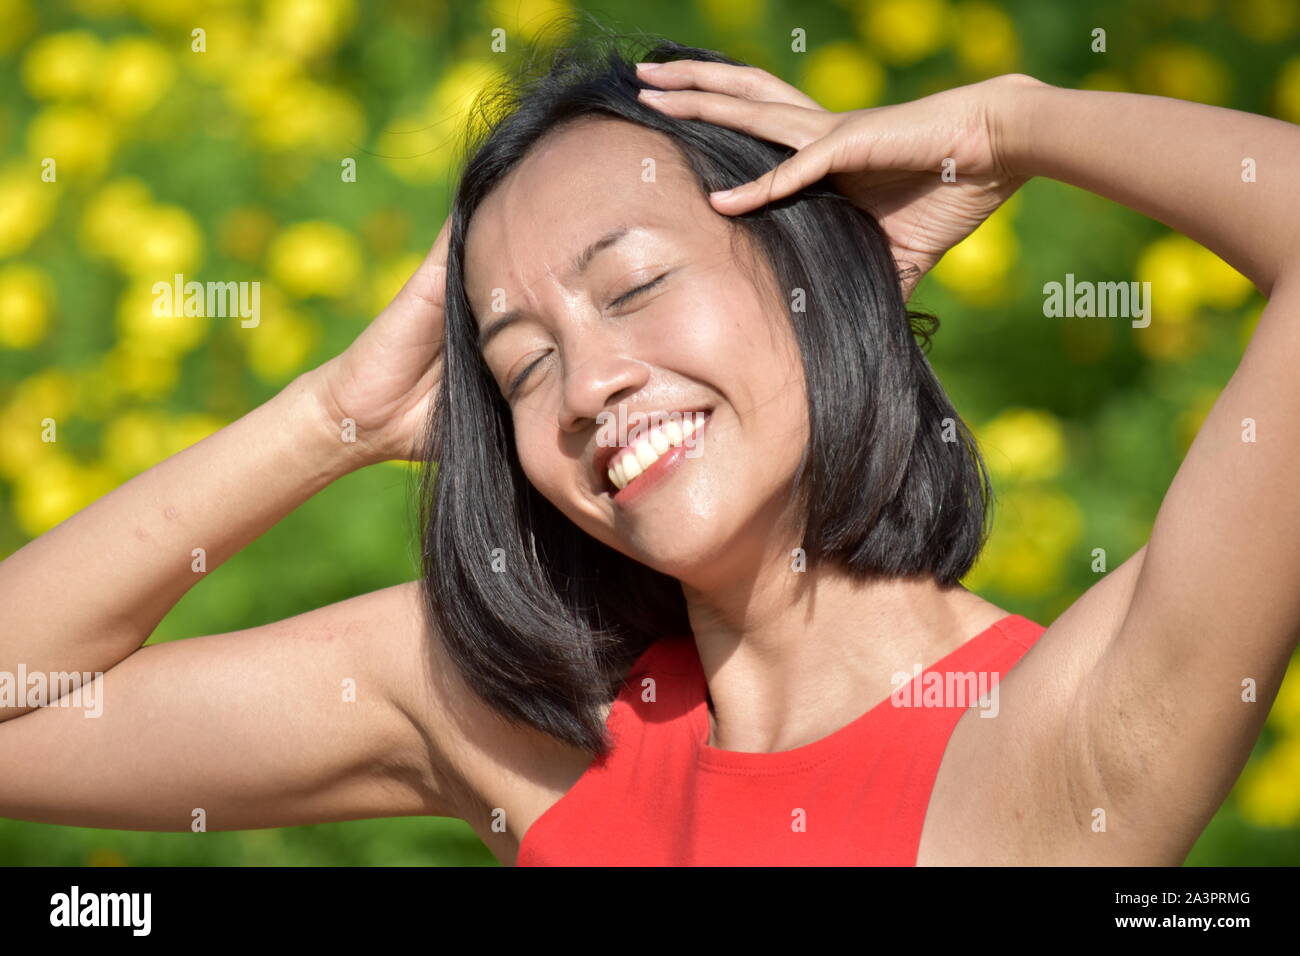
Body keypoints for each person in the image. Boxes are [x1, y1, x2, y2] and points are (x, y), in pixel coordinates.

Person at [2, 33, 1298, 867]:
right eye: (520, 363)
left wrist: (1016, 124)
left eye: (630, 289)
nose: (589, 385)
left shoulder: (1050, 740)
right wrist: (336, 417)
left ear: (814, 283)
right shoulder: (528, 719)